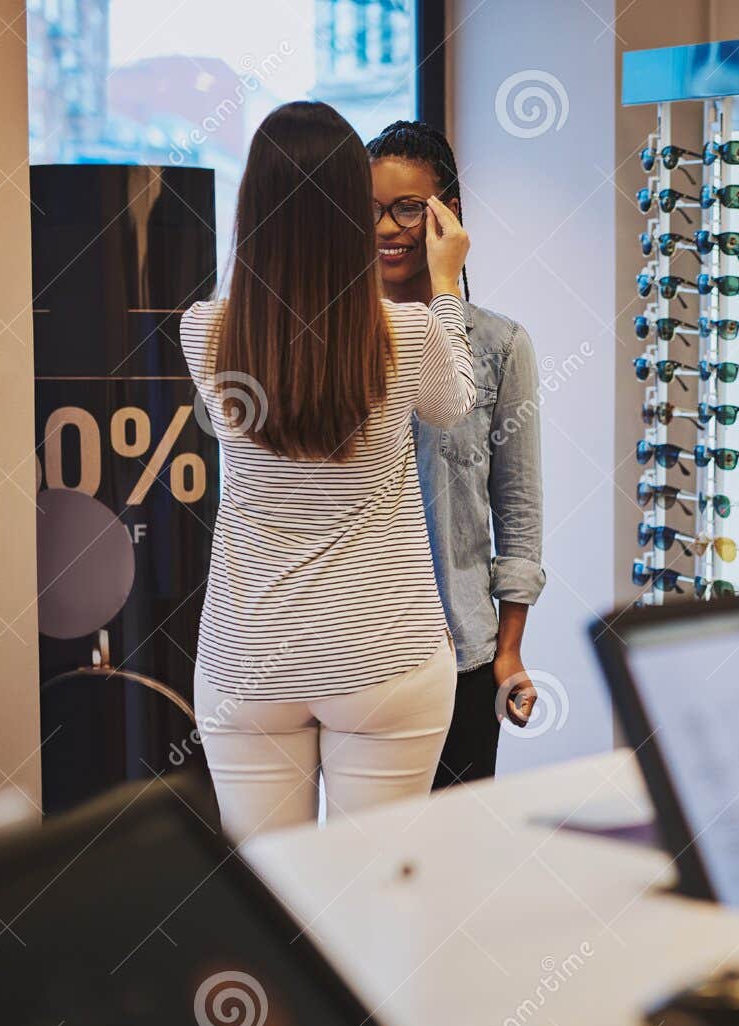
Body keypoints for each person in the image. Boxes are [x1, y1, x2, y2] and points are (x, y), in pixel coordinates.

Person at [180, 102, 474, 841]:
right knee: (375, 904)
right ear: (352, 211)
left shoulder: (203, 330)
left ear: (253, 207)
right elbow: (456, 405)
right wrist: (446, 284)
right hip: (386, 653)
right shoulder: (407, 332)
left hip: (249, 660)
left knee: (264, 898)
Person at [368, 120, 546, 787]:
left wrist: (510, 652)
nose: (386, 227)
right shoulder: (339, 344)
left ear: (449, 218)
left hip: (463, 654)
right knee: (368, 865)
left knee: (460, 870)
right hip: (363, 653)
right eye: (371, 209)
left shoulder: (499, 347)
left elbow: (518, 515)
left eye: (408, 208)